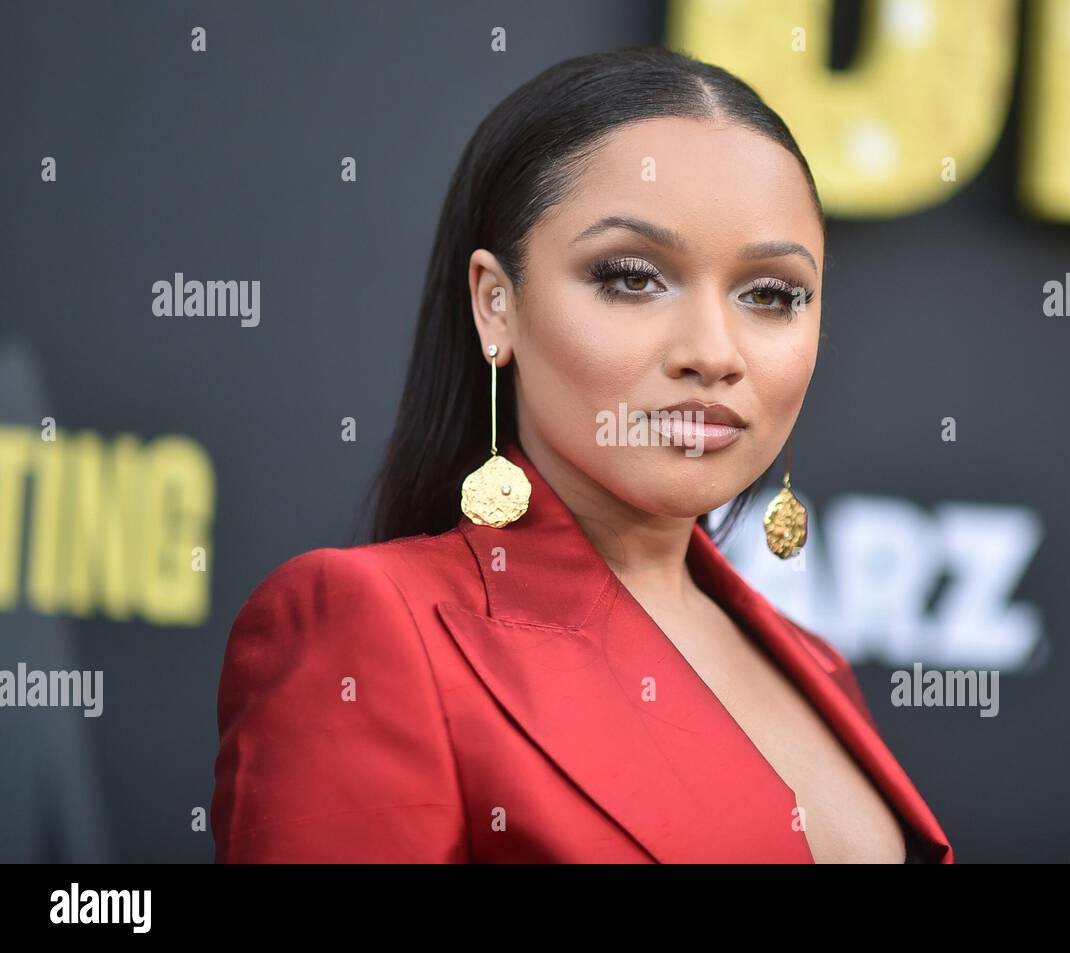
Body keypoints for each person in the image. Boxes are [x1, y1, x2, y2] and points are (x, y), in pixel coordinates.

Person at [211, 44, 952, 864]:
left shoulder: (820, 668)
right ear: (497, 305)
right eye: (632, 278)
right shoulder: (371, 627)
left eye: (771, 294)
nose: (714, 351)